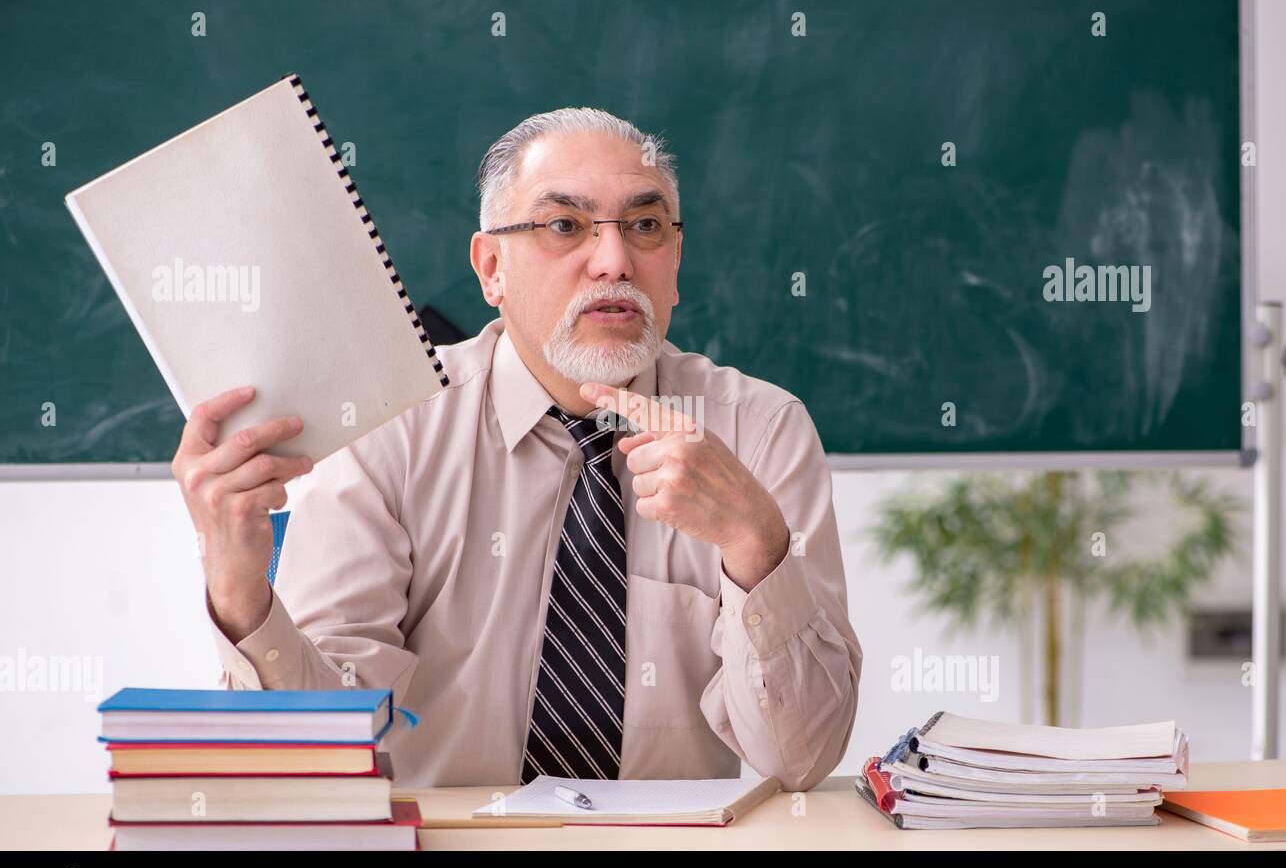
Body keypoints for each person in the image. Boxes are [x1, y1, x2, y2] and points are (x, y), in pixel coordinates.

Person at [171, 107, 862, 791]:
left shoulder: (760, 431)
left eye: (645, 226)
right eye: (565, 226)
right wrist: (239, 591)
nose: (615, 260)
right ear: (491, 266)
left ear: (674, 260)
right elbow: (327, 750)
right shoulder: (393, 429)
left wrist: (754, 542)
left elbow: (800, 757)